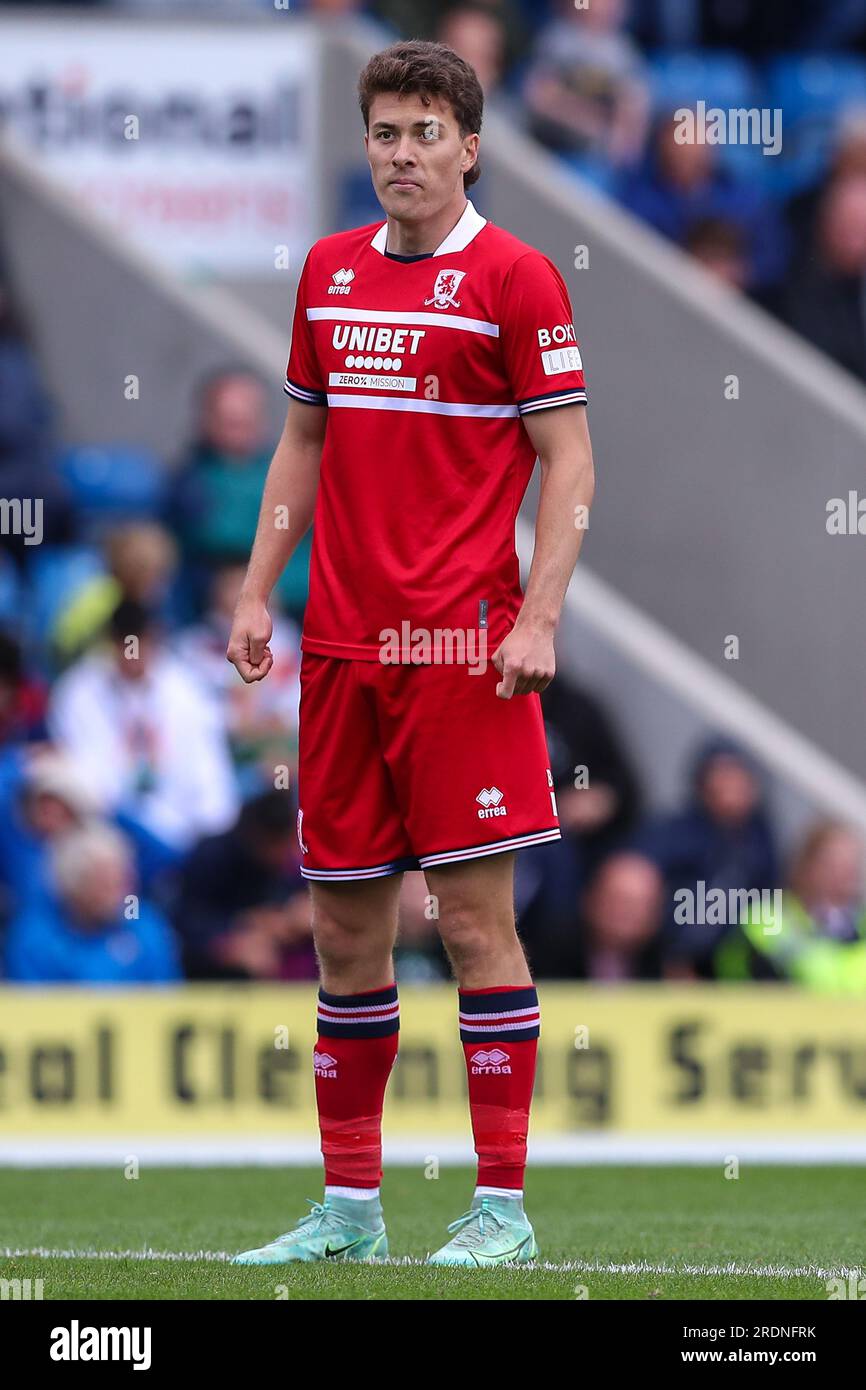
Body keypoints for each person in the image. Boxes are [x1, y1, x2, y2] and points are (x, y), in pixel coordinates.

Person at [226, 40, 594, 1267]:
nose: (400, 153)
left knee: (474, 923)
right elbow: (298, 444)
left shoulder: (515, 277)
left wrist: (537, 614)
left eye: (424, 133)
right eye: (383, 132)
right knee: (342, 932)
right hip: (337, 649)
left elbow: (569, 460)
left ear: (469, 145)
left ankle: (500, 1209)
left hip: (459, 651)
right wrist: (254, 590)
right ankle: (349, 1211)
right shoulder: (328, 273)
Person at [4, 822, 182, 984]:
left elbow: (164, 989)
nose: (122, 893)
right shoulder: (35, 934)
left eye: (124, 879)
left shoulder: (138, 916)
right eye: (106, 882)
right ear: (74, 885)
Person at [715, 821, 866, 990]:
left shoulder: (858, 925)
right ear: (806, 865)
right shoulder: (767, 919)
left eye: (850, 866)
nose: (843, 875)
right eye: (832, 865)